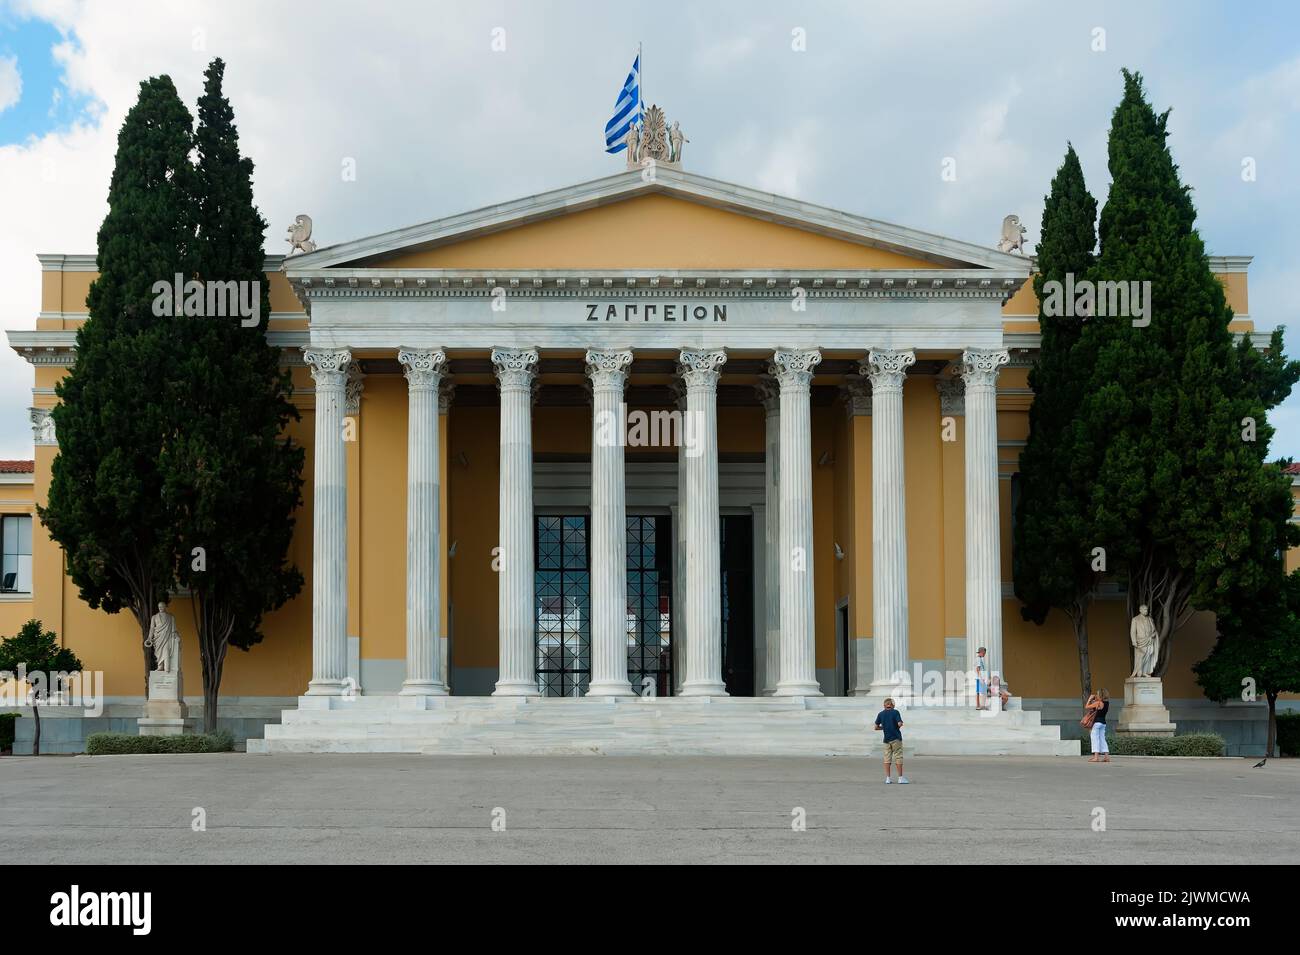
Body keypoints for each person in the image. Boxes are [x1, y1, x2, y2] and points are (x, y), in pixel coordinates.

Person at [875, 697, 907, 784]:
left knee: (887, 758)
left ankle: (888, 778)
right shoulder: (895, 712)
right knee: (898, 757)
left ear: (884, 705)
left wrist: (884, 727)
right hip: (896, 738)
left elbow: (876, 727)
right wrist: (898, 726)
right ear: (893, 705)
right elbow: (899, 723)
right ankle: (900, 778)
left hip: (886, 739)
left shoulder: (880, 714)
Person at [1085, 689, 1110, 763]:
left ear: (1100, 695)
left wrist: (1089, 699)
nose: (1096, 695)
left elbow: (1087, 706)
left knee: (1095, 739)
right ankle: (1106, 757)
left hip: (1096, 722)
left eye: (1097, 694)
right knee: (1102, 739)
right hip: (1103, 723)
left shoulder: (1098, 703)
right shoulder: (1107, 703)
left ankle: (1096, 757)